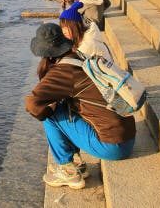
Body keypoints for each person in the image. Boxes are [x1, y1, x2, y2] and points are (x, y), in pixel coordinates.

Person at [26, 23, 136, 189]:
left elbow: (33, 104)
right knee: (61, 106)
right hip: (127, 137)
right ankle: (77, 162)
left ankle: (68, 172)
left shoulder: (63, 71)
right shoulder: (79, 56)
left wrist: (50, 109)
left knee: (50, 115)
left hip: (112, 146)